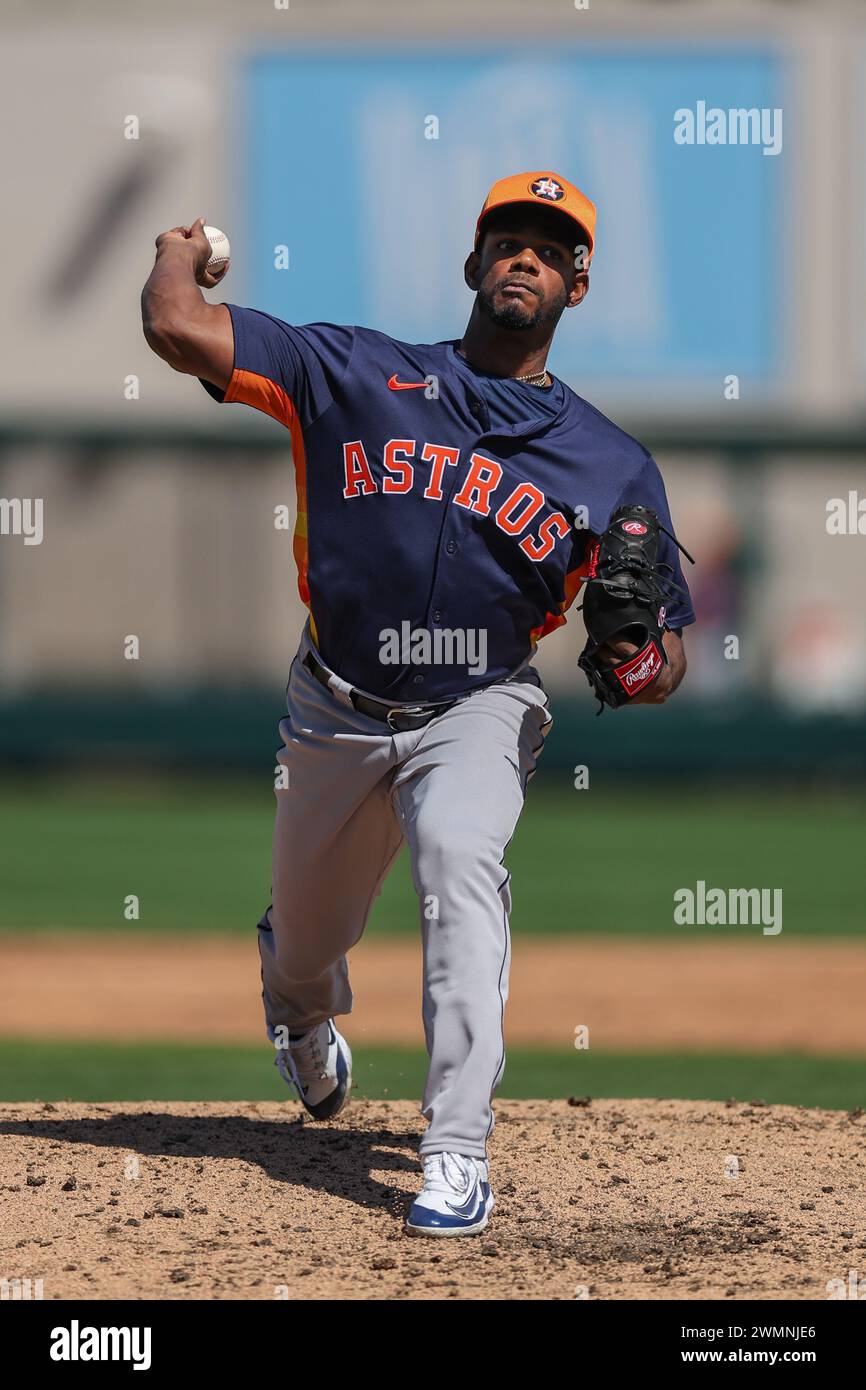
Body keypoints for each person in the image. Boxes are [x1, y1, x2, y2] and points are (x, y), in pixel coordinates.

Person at [141, 171, 695, 1237]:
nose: (522, 257)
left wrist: (638, 664)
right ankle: (302, 1015)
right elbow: (177, 325)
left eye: (548, 247)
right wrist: (179, 250)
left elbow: (658, 656)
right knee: (306, 940)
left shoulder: (611, 465)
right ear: (471, 267)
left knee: (456, 858)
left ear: (577, 284)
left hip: (477, 703)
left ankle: (452, 1149)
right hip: (336, 705)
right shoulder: (351, 371)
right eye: (506, 240)